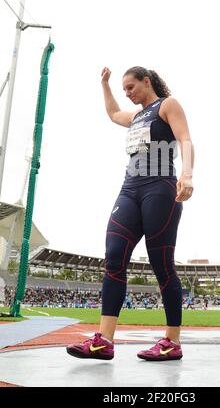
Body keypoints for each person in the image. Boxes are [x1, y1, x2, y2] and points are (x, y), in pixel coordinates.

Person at [66, 66, 194, 361]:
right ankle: (104, 341)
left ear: (146, 82)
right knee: (114, 256)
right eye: (124, 89)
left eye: (130, 87)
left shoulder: (167, 105)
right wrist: (105, 85)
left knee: (161, 265)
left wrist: (186, 174)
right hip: (130, 189)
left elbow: (186, 138)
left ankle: (172, 342)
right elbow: (113, 114)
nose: (127, 94)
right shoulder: (135, 117)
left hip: (160, 187)